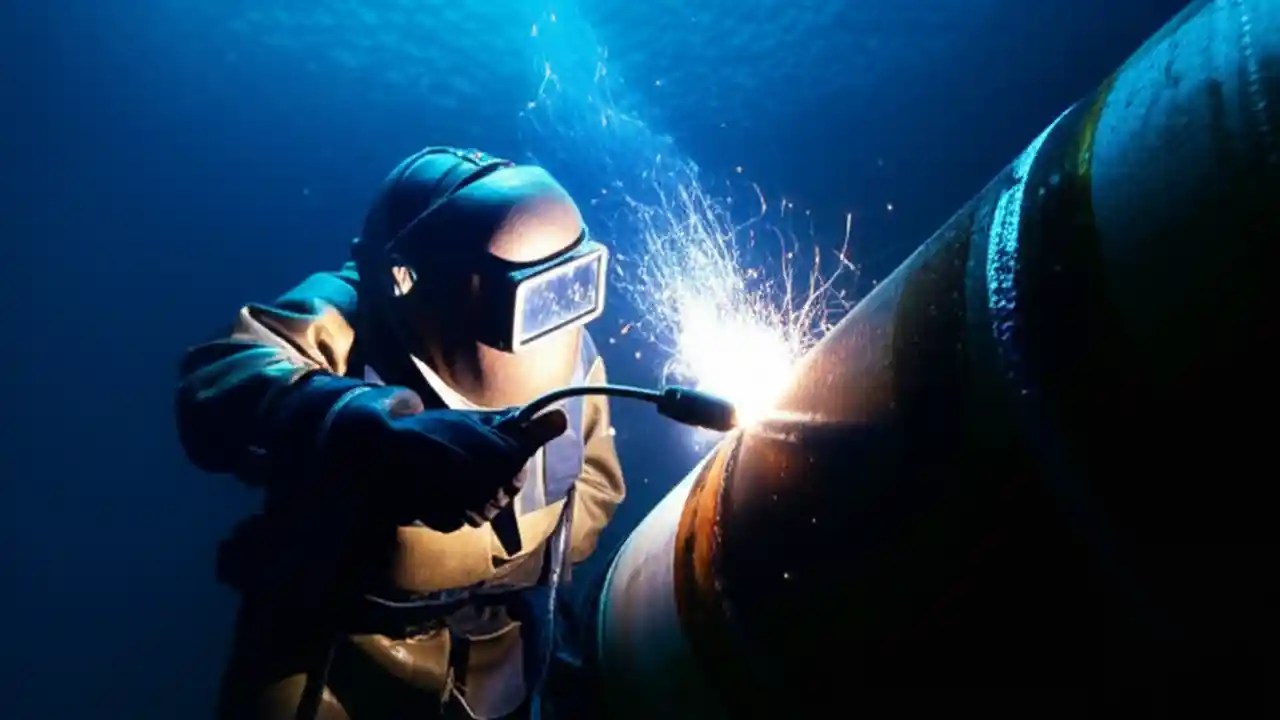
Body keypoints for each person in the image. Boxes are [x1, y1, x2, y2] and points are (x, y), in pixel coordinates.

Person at [175, 146, 626, 719]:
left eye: (569, 285)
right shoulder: (348, 316)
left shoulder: (571, 349)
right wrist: (366, 428)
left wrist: (521, 587)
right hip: (336, 659)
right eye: (530, 296)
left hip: (501, 660)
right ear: (405, 278)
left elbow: (594, 490)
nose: (554, 314)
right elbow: (218, 380)